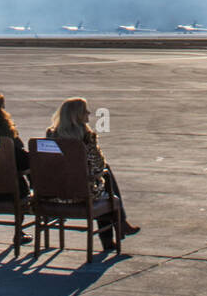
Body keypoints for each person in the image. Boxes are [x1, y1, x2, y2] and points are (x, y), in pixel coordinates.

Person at [46, 97, 139, 250]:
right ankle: (116, 229)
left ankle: (118, 227)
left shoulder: (51, 136)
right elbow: (98, 166)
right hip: (81, 193)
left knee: (103, 181)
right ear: (77, 116)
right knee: (105, 182)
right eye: (85, 111)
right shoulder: (86, 138)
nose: (89, 113)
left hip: (56, 193)